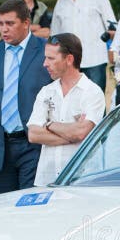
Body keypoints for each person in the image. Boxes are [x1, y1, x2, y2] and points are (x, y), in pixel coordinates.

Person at [0, 0, 52, 193]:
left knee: (30, 203)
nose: (4, 29)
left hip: (34, 144)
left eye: (10, 23)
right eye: (0, 23)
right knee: (5, 206)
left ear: (26, 23)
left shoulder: (46, 51)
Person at [27, 33, 105, 186]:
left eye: (51, 58)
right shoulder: (46, 92)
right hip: (47, 181)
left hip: (83, 181)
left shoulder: (92, 92)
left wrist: (49, 124)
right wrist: (73, 135)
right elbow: (33, 134)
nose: (45, 64)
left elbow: (80, 132)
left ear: (69, 59)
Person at [51, 0, 116, 93]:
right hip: (69, 64)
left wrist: (113, 51)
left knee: (95, 101)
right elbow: (54, 36)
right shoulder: (60, 2)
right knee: (71, 103)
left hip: (95, 61)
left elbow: (112, 25)